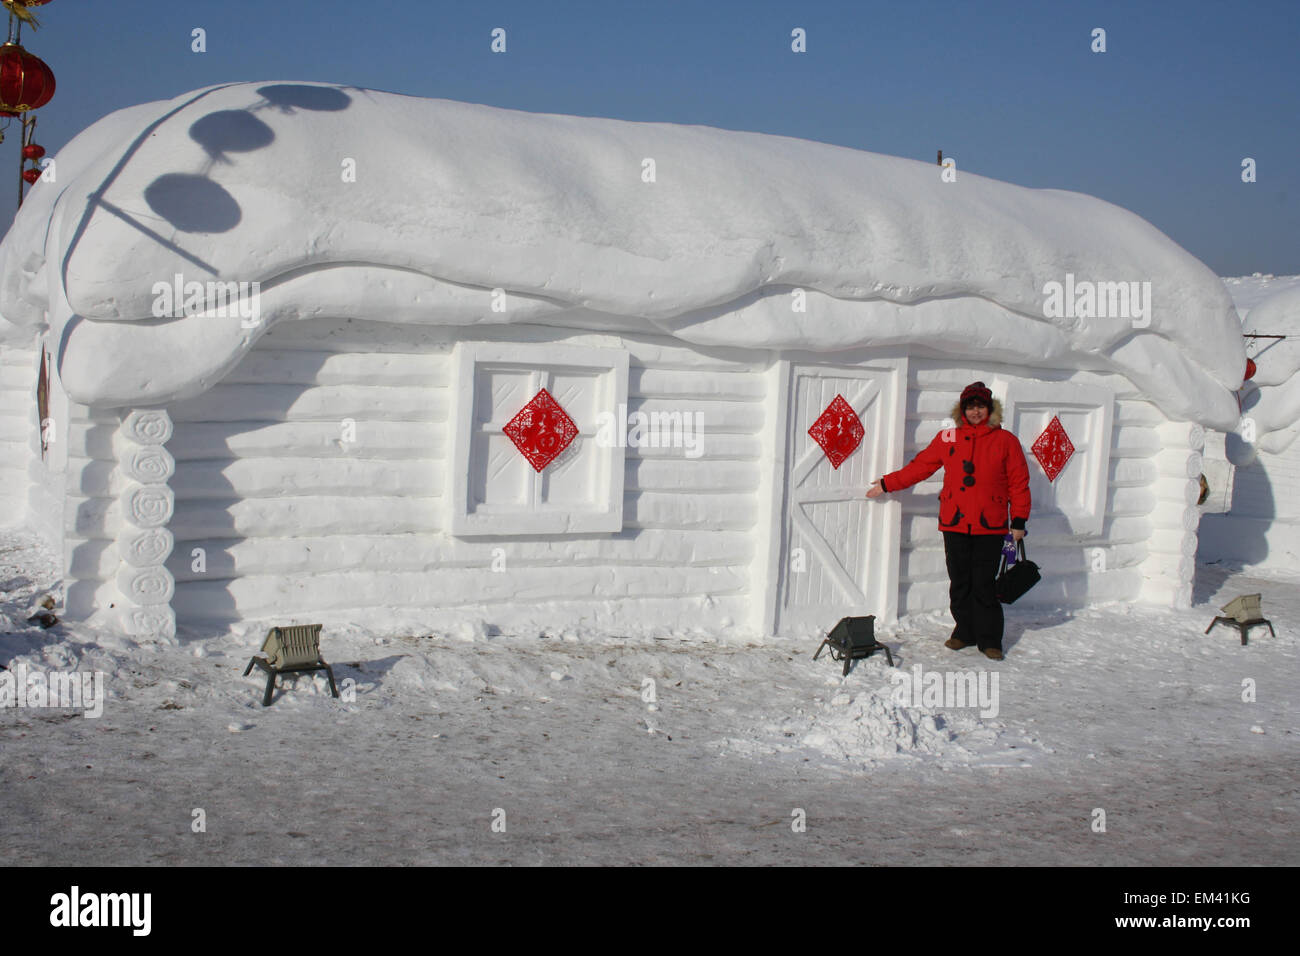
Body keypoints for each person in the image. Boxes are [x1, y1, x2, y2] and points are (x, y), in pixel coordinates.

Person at [865, 381, 1030, 660]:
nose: (975, 411)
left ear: (989, 409)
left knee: (984, 584)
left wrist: (1019, 521)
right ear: (962, 410)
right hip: (955, 523)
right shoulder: (948, 439)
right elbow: (921, 467)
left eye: (980, 406)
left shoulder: (1006, 441)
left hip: (990, 525)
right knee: (960, 581)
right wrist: (887, 483)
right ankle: (964, 631)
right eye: (970, 406)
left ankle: (990, 639)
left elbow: (1019, 483)